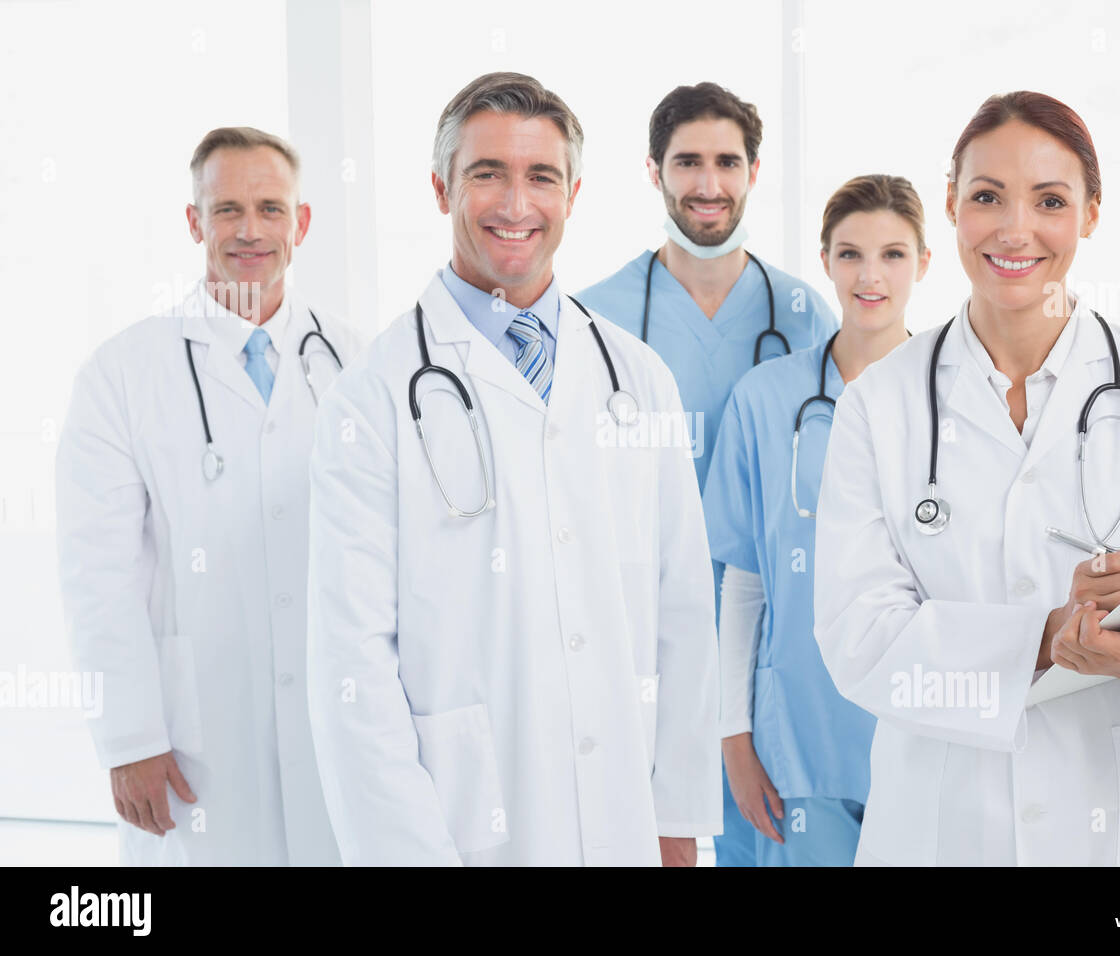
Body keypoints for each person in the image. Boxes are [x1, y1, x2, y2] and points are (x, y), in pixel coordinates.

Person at [813, 91, 1120, 866]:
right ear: (950, 207)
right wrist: (1044, 636)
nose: (1015, 229)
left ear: (1091, 214)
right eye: (986, 197)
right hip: (942, 830)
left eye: (1049, 200)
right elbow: (857, 633)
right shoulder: (879, 407)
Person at [305, 72, 720, 867]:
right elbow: (350, 664)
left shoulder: (637, 378)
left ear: (573, 193)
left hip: (626, 822)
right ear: (441, 188)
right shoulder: (374, 396)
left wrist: (679, 816)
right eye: (486, 173)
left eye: (541, 177)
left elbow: (684, 612)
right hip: (463, 830)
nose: (515, 204)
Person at [55, 126, 358, 865]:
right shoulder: (123, 373)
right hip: (196, 740)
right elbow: (98, 574)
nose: (249, 231)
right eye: (227, 210)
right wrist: (128, 738)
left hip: (340, 724)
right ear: (194, 222)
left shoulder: (358, 362)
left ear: (302, 222)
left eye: (270, 208)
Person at [579, 81, 837, 867]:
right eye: (687, 161)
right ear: (654, 171)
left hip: (768, 629)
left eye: (727, 161)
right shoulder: (594, 317)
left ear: (754, 171)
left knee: (770, 836)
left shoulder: (805, 314)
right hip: (638, 626)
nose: (708, 183)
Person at [705, 176, 929, 865]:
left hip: (925, 724)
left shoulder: (959, 395)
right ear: (825, 261)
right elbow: (744, 582)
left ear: (924, 263)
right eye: (851, 253)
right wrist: (734, 739)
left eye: (893, 254)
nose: (871, 275)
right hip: (799, 734)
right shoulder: (765, 400)